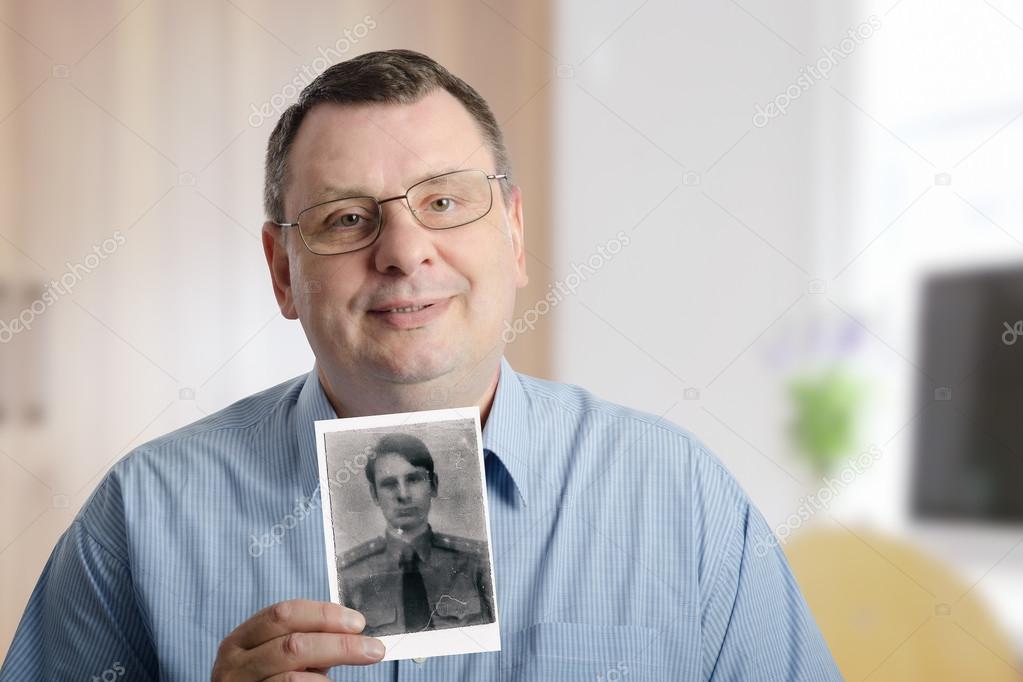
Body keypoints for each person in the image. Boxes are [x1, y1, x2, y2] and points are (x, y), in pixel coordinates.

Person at [0, 49, 843, 680]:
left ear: (511, 233)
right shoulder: (142, 514)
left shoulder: (678, 496)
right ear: (283, 272)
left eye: (444, 201)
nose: (403, 253)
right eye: (344, 218)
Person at [338, 433, 495, 636]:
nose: (403, 495)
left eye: (414, 479)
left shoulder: (478, 563)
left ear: (434, 485)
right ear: (374, 495)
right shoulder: (348, 576)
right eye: (389, 484)